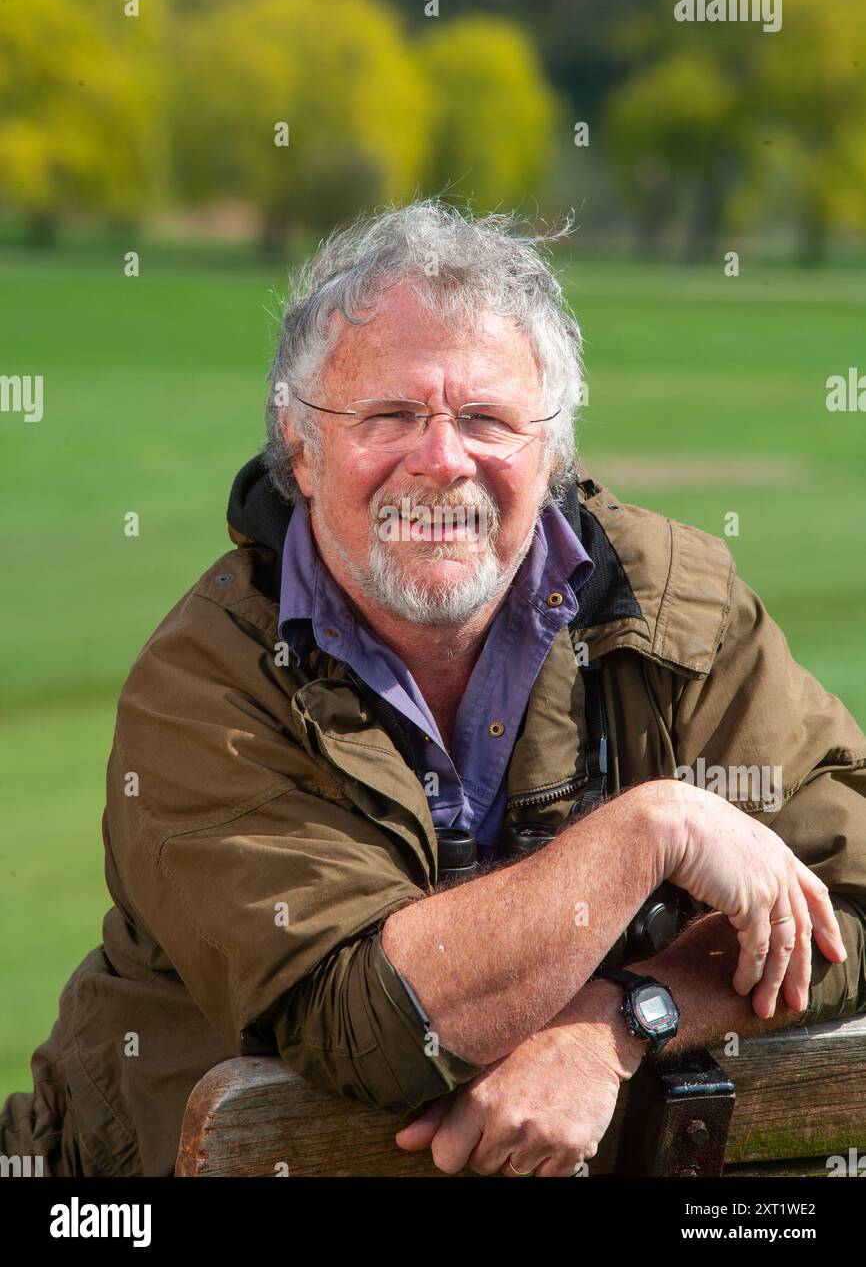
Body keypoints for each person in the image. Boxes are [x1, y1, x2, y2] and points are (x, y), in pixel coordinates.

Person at [3, 200, 865, 1179]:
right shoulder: (203, 686)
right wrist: (649, 831)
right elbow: (370, 1023)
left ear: (552, 451)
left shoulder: (679, 608)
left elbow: (851, 888)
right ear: (299, 445)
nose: (441, 458)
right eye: (388, 415)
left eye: (487, 419)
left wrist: (619, 1017)